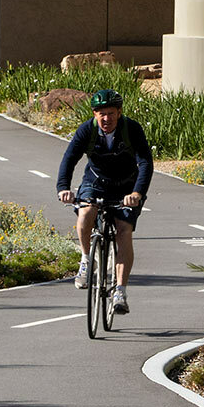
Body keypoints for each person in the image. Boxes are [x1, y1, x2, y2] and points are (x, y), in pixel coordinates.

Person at [55, 88, 152, 315]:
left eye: (110, 113)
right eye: (101, 114)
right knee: (86, 212)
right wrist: (63, 188)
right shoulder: (86, 130)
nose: (106, 119)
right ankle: (87, 260)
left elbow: (145, 162)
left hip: (127, 185)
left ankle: (120, 291)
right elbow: (69, 158)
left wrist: (137, 193)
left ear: (119, 113)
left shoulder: (132, 129)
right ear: (94, 114)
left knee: (124, 230)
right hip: (96, 180)